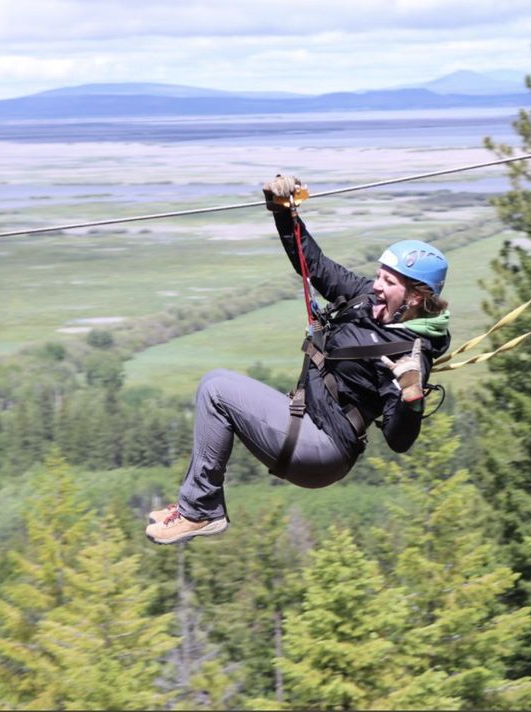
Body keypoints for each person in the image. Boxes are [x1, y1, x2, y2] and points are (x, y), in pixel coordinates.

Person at [145, 174, 451, 545]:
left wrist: (411, 395)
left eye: (388, 282)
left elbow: (399, 439)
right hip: (305, 421)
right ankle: (194, 504)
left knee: (216, 389)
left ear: (416, 297)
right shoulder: (364, 302)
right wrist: (282, 210)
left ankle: (200, 511)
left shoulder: (409, 351)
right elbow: (315, 265)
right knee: (217, 391)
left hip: (322, 448)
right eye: (378, 276)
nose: (376, 286)